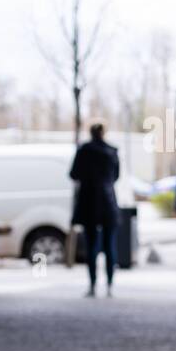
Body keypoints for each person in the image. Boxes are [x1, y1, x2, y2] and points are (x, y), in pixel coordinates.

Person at [69, 123, 121, 298]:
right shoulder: (112, 151)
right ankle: (110, 285)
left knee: (91, 246)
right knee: (109, 246)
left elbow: (73, 174)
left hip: (89, 202)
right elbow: (116, 177)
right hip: (108, 202)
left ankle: (92, 285)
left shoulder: (84, 150)